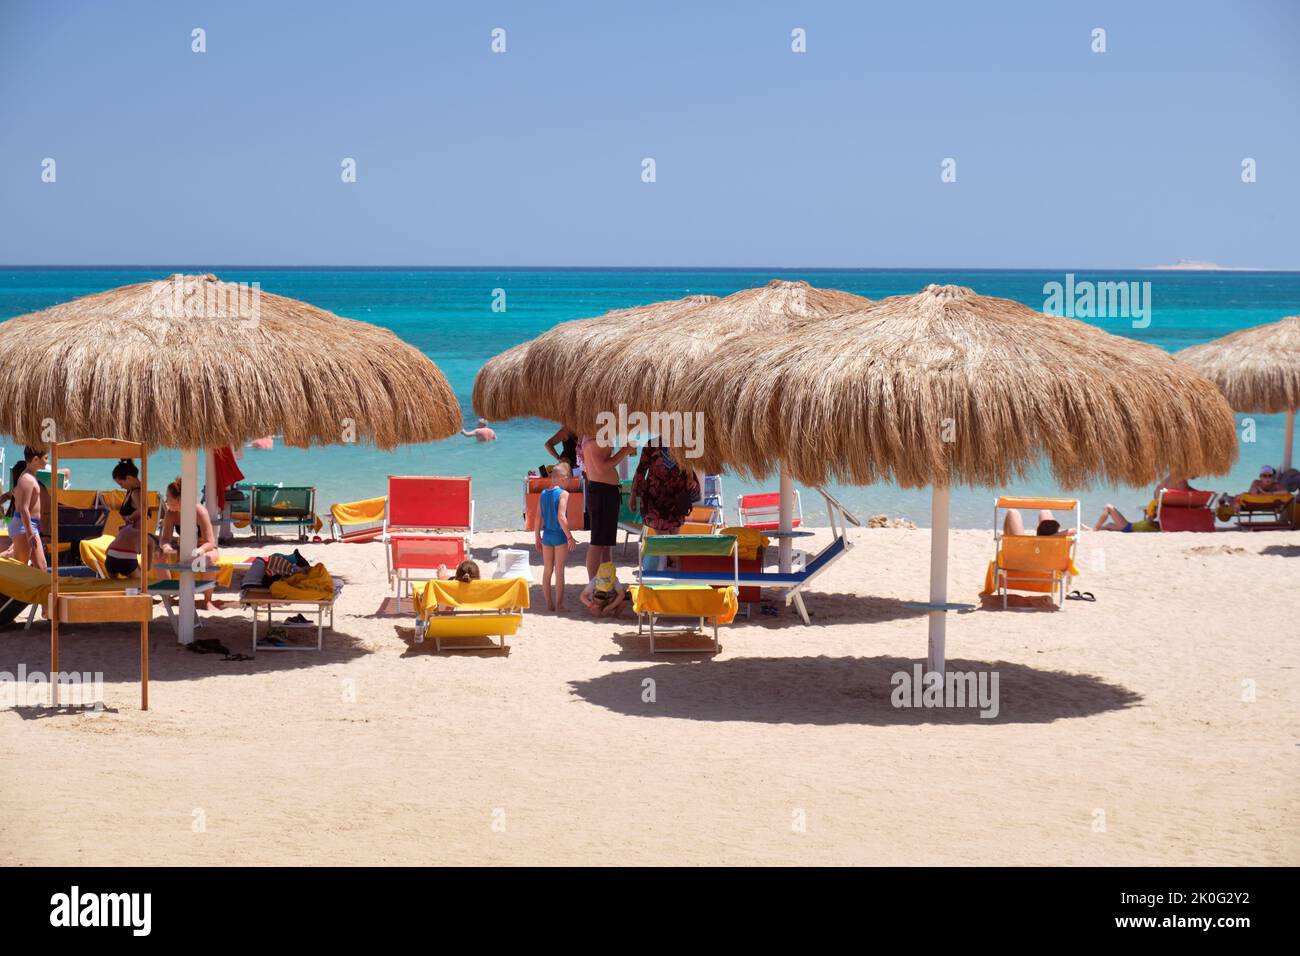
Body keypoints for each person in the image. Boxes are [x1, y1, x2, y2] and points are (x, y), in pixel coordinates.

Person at [579, 434, 635, 580]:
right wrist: (624, 451)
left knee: (606, 543)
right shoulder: (594, 441)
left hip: (605, 491)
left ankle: (607, 582)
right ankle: (592, 584)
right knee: (597, 543)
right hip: (601, 492)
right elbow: (601, 468)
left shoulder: (596, 437)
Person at [159, 476, 221, 607]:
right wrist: (166, 548)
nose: (166, 500)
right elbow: (165, 539)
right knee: (158, 555)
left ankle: (207, 600)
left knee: (208, 558)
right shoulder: (171, 514)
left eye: (168, 497)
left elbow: (210, 542)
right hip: (185, 548)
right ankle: (167, 596)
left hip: (205, 549)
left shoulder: (199, 511)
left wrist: (199, 551)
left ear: (179, 499)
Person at [103, 459, 162, 577]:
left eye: (121, 483)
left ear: (129, 478)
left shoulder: (137, 493)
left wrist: (129, 517)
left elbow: (143, 510)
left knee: (140, 578)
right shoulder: (135, 491)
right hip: (132, 540)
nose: (121, 487)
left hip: (133, 539)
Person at [630, 444, 699, 534]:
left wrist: (691, 478)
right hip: (654, 500)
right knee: (663, 541)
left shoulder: (683, 444)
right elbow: (640, 470)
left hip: (677, 500)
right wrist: (633, 494)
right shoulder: (651, 445)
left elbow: (688, 465)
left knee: (672, 542)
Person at [535, 462, 576, 611]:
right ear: (563, 478)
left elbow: (538, 518)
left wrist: (537, 538)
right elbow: (561, 517)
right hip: (559, 536)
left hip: (546, 536)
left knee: (547, 571)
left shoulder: (543, 493)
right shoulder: (564, 494)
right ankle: (559, 605)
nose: (569, 481)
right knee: (559, 571)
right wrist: (570, 537)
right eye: (568, 478)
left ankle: (549, 604)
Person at [5, 446, 48, 571]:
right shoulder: (27, 479)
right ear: (35, 459)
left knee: (42, 567)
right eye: (45, 458)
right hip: (25, 527)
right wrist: (30, 534)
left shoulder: (30, 476)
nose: (47, 461)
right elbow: (24, 509)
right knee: (21, 569)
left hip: (28, 526)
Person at [1002, 507, 1076, 537]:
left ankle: (1006, 539)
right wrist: (1051, 537)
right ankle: (1049, 537)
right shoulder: (1053, 556)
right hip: (1048, 561)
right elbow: (1073, 531)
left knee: (1012, 512)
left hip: (1020, 558)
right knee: (1045, 511)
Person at [1092, 504, 1159, 533]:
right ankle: (1092, 529)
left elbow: (1150, 522)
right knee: (1108, 525)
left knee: (1108, 507)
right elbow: (1146, 524)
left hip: (1128, 527)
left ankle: (1094, 529)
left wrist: (1151, 515)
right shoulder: (1152, 524)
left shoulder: (1154, 524)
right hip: (1128, 527)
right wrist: (1145, 514)